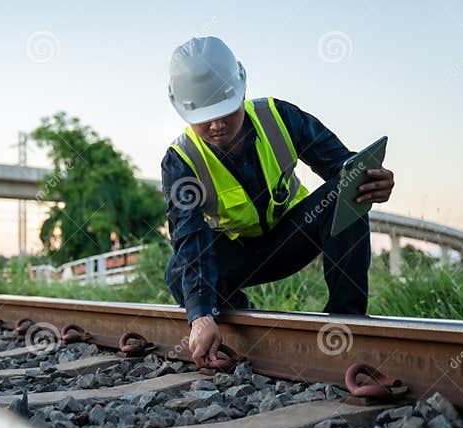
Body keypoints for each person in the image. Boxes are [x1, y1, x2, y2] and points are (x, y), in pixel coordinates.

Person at [162, 37, 395, 368]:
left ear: (241, 91)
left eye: (225, 111)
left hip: (292, 239)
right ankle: (243, 320)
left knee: (348, 187)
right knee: (178, 270)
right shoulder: (180, 161)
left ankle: (347, 319)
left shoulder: (278, 117)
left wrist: (372, 179)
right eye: (203, 117)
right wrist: (199, 315)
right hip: (236, 257)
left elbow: (344, 166)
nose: (216, 125)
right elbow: (190, 237)